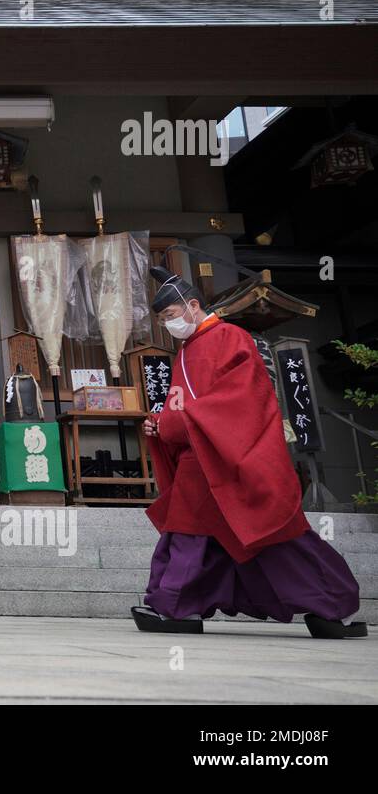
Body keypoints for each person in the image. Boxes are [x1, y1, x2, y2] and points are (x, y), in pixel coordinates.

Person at [133, 265, 366, 639]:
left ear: (193, 306)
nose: (168, 325)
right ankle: (174, 606)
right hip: (200, 457)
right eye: (163, 320)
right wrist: (159, 424)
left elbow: (241, 401)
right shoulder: (185, 351)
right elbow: (182, 406)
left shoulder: (231, 338)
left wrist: (176, 422)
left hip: (231, 456)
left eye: (171, 316)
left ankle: (330, 605)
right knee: (188, 532)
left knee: (273, 535)